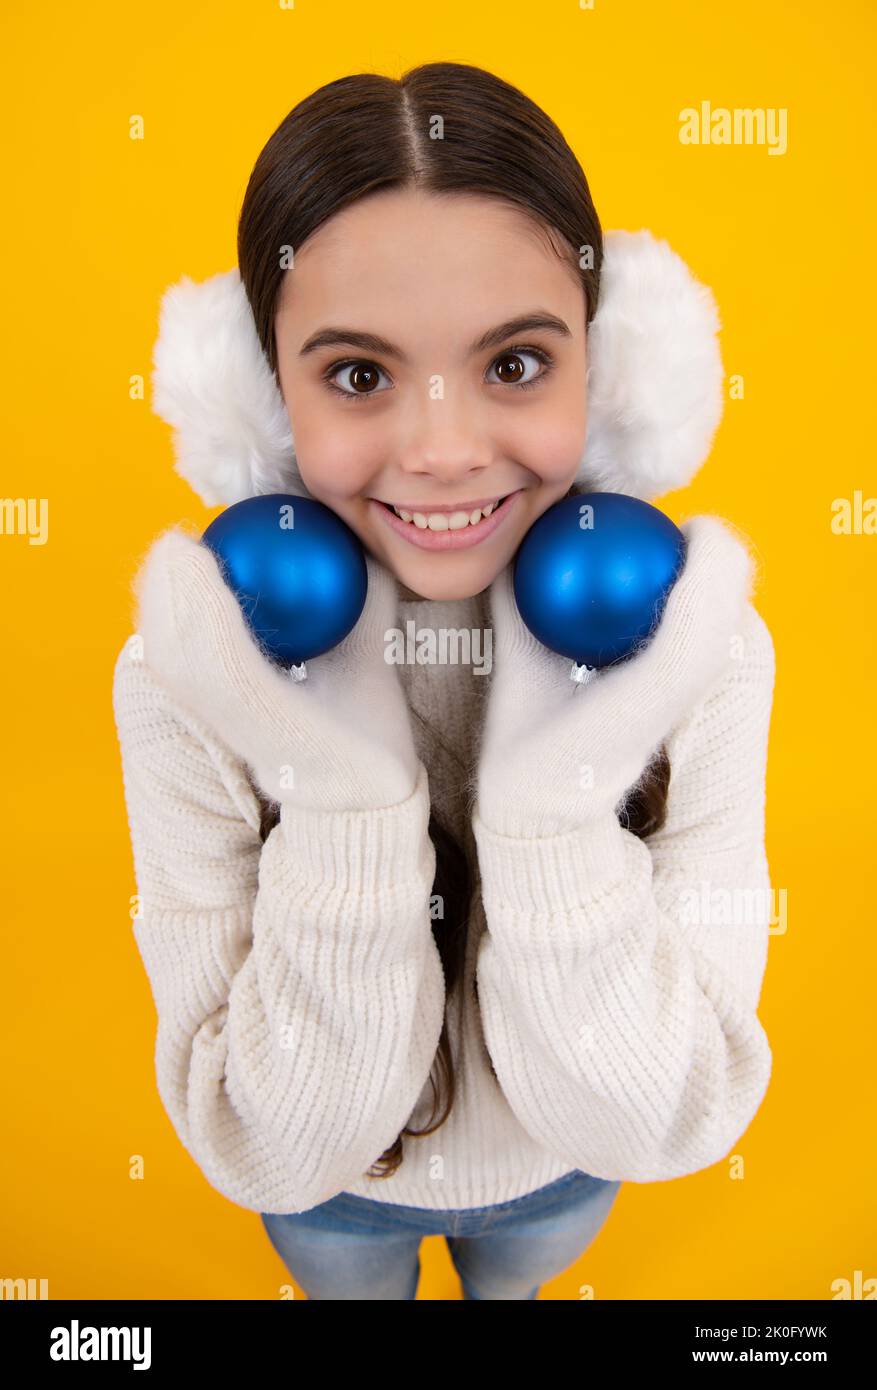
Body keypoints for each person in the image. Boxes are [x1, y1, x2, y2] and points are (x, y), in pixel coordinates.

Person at [112, 61, 776, 1300]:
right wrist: (338, 777)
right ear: (261, 399)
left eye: (515, 364)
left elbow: (661, 1118)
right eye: (358, 375)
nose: (444, 449)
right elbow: (265, 1140)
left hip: (564, 1173)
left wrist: (553, 795)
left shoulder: (703, 648)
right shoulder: (183, 670)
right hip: (336, 1198)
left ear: (613, 364)